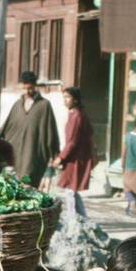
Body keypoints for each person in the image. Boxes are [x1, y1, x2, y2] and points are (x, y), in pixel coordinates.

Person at [1, 69, 61, 189]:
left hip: (34, 154)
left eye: (30, 88)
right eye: (25, 88)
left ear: (35, 86)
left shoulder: (44, 105)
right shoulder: (17, 105)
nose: (28, 91)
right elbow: (8, 128)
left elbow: (51, 131)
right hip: (17, 154)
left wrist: (53, 155)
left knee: (29, 185)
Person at [56, 86, 95, 216]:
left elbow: (72, 141)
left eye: (68, 97)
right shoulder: (77, 114)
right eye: (64, 97)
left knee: (70, 190)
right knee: (72, 189)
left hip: (76, 158)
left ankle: (74, 218)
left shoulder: (77, 116)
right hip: (76, 156)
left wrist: (60, 157)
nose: (65, 101)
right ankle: (82, 217)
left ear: (76, 100)